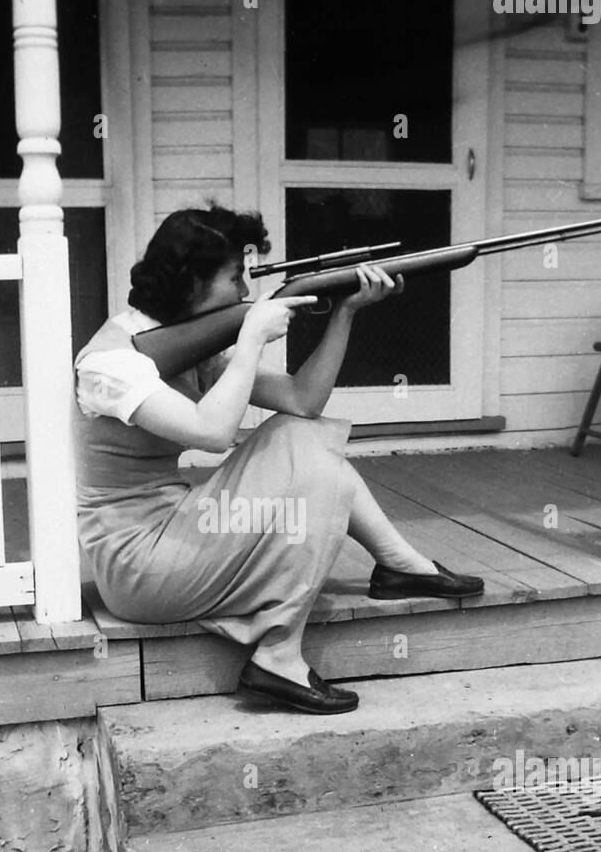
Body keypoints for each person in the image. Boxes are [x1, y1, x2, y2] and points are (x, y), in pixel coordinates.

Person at [74, 205, 484, 715]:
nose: (246, 289)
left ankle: (399, 565)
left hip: (175, 529)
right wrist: (249, 338)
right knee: (300, 446)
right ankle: (279, 654)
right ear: (193, 283)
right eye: (234, 277)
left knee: (301, 433)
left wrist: (345, 312)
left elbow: (303, 400)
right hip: (137, 566)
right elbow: (213, 433)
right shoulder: (111, 365)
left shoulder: (178, 340)